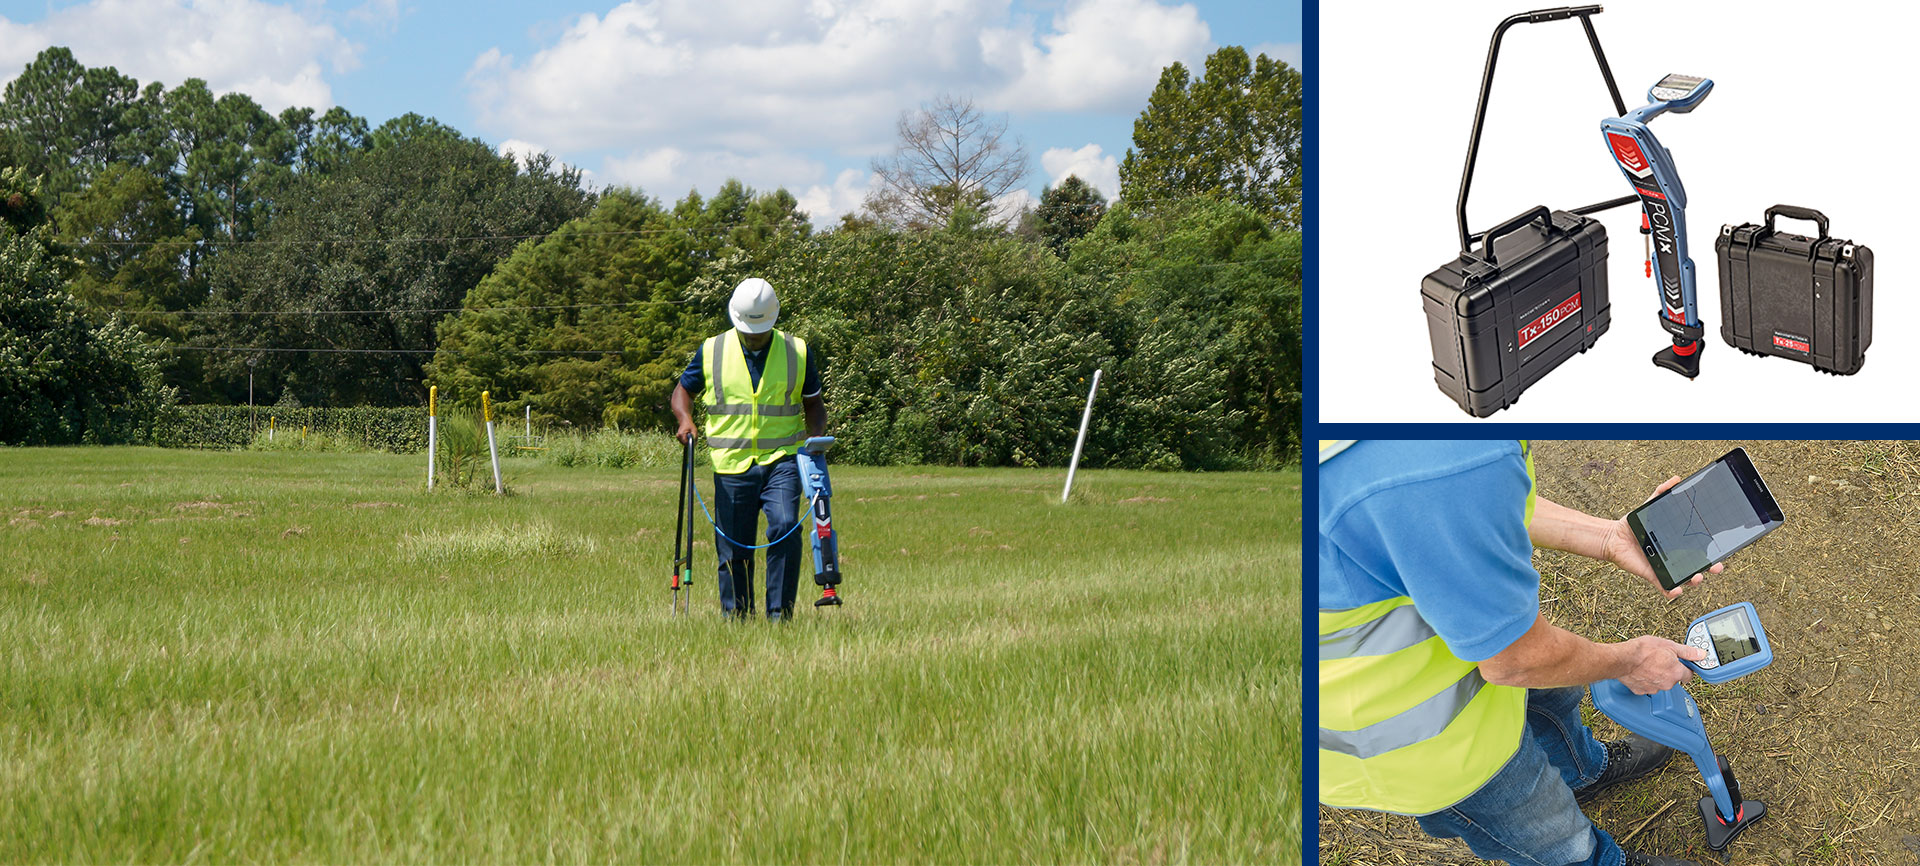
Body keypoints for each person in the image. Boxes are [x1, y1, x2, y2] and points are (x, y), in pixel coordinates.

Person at [1319, 440, 1724, 866]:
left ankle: (1581, 773)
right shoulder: (1441, 462)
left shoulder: (1461, 447)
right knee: (1544, 828)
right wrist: (1631, 661)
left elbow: (1480, 504)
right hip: (1420, 739)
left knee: (1552, 699)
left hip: (1457, 649)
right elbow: (1516, 660)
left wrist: (1608, 536)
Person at [670, 277, 826, 621]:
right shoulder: (713, 349)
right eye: (749, 331)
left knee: (785, 526)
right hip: (731, 463)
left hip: (783, 459)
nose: (754, 336)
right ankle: (738, 616)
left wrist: (815, 438)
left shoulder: (796, 350)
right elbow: (683, 389)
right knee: (733, 545)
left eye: (760, 331)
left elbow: (814, 404)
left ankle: (779, 616)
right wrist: (685, 419)